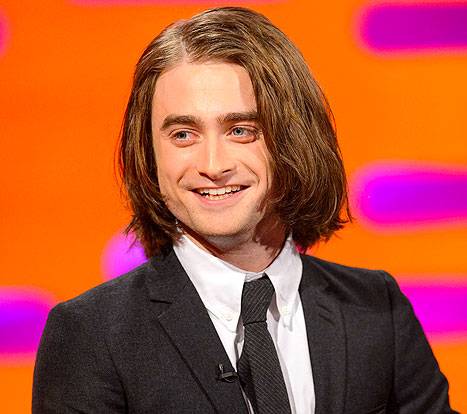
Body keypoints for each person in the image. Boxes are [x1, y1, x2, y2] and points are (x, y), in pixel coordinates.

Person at [32, 6, 456, 414]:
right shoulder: (91, 335)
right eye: (183, 135)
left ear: (295, 139)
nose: (213, 165)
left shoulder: (376, 309)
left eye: (240, 130)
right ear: (149, 153)